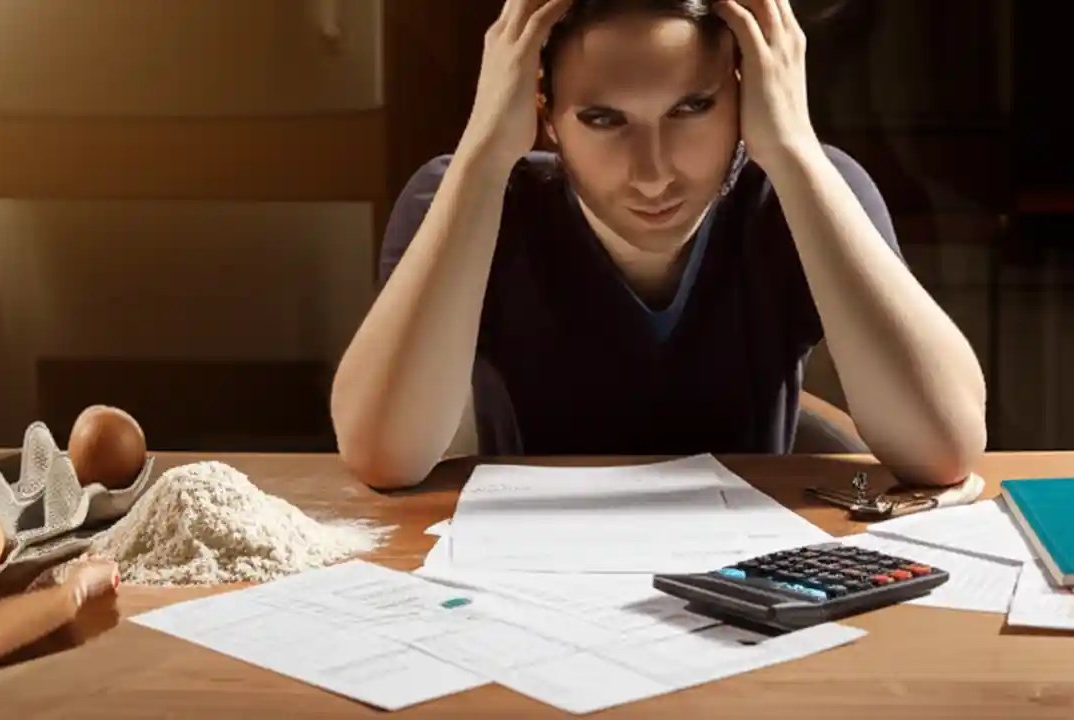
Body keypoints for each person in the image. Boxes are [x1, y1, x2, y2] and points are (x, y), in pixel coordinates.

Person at [331, 0, 987, 490]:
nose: (653, 172)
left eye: (692, 108)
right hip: (528, 574)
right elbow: (384, 457)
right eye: (603, 118)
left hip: (754, 582)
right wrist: (482, 153)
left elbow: (945, 447)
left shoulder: (806, 193)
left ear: (746, 90)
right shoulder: (465, 199)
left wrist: (794, 150)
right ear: (543, 113)